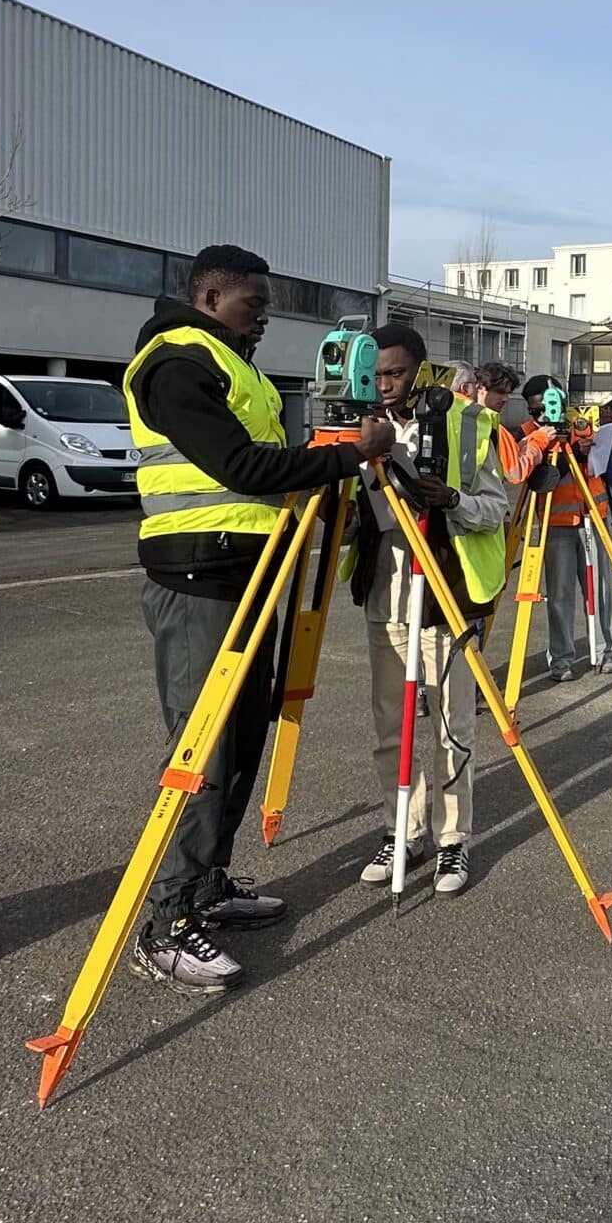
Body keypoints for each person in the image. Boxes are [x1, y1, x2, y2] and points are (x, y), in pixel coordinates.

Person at [123, 243, 393, 992]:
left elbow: (264, 470)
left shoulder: (232, 365)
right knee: (203, 753)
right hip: (198, 578)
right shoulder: (176, 363)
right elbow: (241, 467)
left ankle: (208, 885)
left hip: (249, 574)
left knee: (244, 736)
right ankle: (167, 920)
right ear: (211, 298)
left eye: (268, 305)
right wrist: (344, 459)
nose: (266, 318)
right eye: (255, 304)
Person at [350, 322, 511, 896]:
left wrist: (455, 501)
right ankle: (403, 828)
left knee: (451, 727)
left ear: (420, 369)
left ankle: (451, 841)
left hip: (444, 595)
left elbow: (497, 507)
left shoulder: (466, 425)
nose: (385, 385)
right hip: (385, 597)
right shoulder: (361, 431)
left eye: (395, 372)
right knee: (390, 728)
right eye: (377, 375)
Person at [515, 374, 612, 681]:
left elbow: (601, 464)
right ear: (531, 409)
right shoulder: (528, 435)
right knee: (559, 596)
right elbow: (530, 475)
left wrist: (586, 450)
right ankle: (561, 659)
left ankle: (604, 652)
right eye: (540, 407)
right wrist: (547, 444)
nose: (547, 411)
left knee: (598, 590)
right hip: (556, 524)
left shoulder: (580, 425)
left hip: (593, 518)